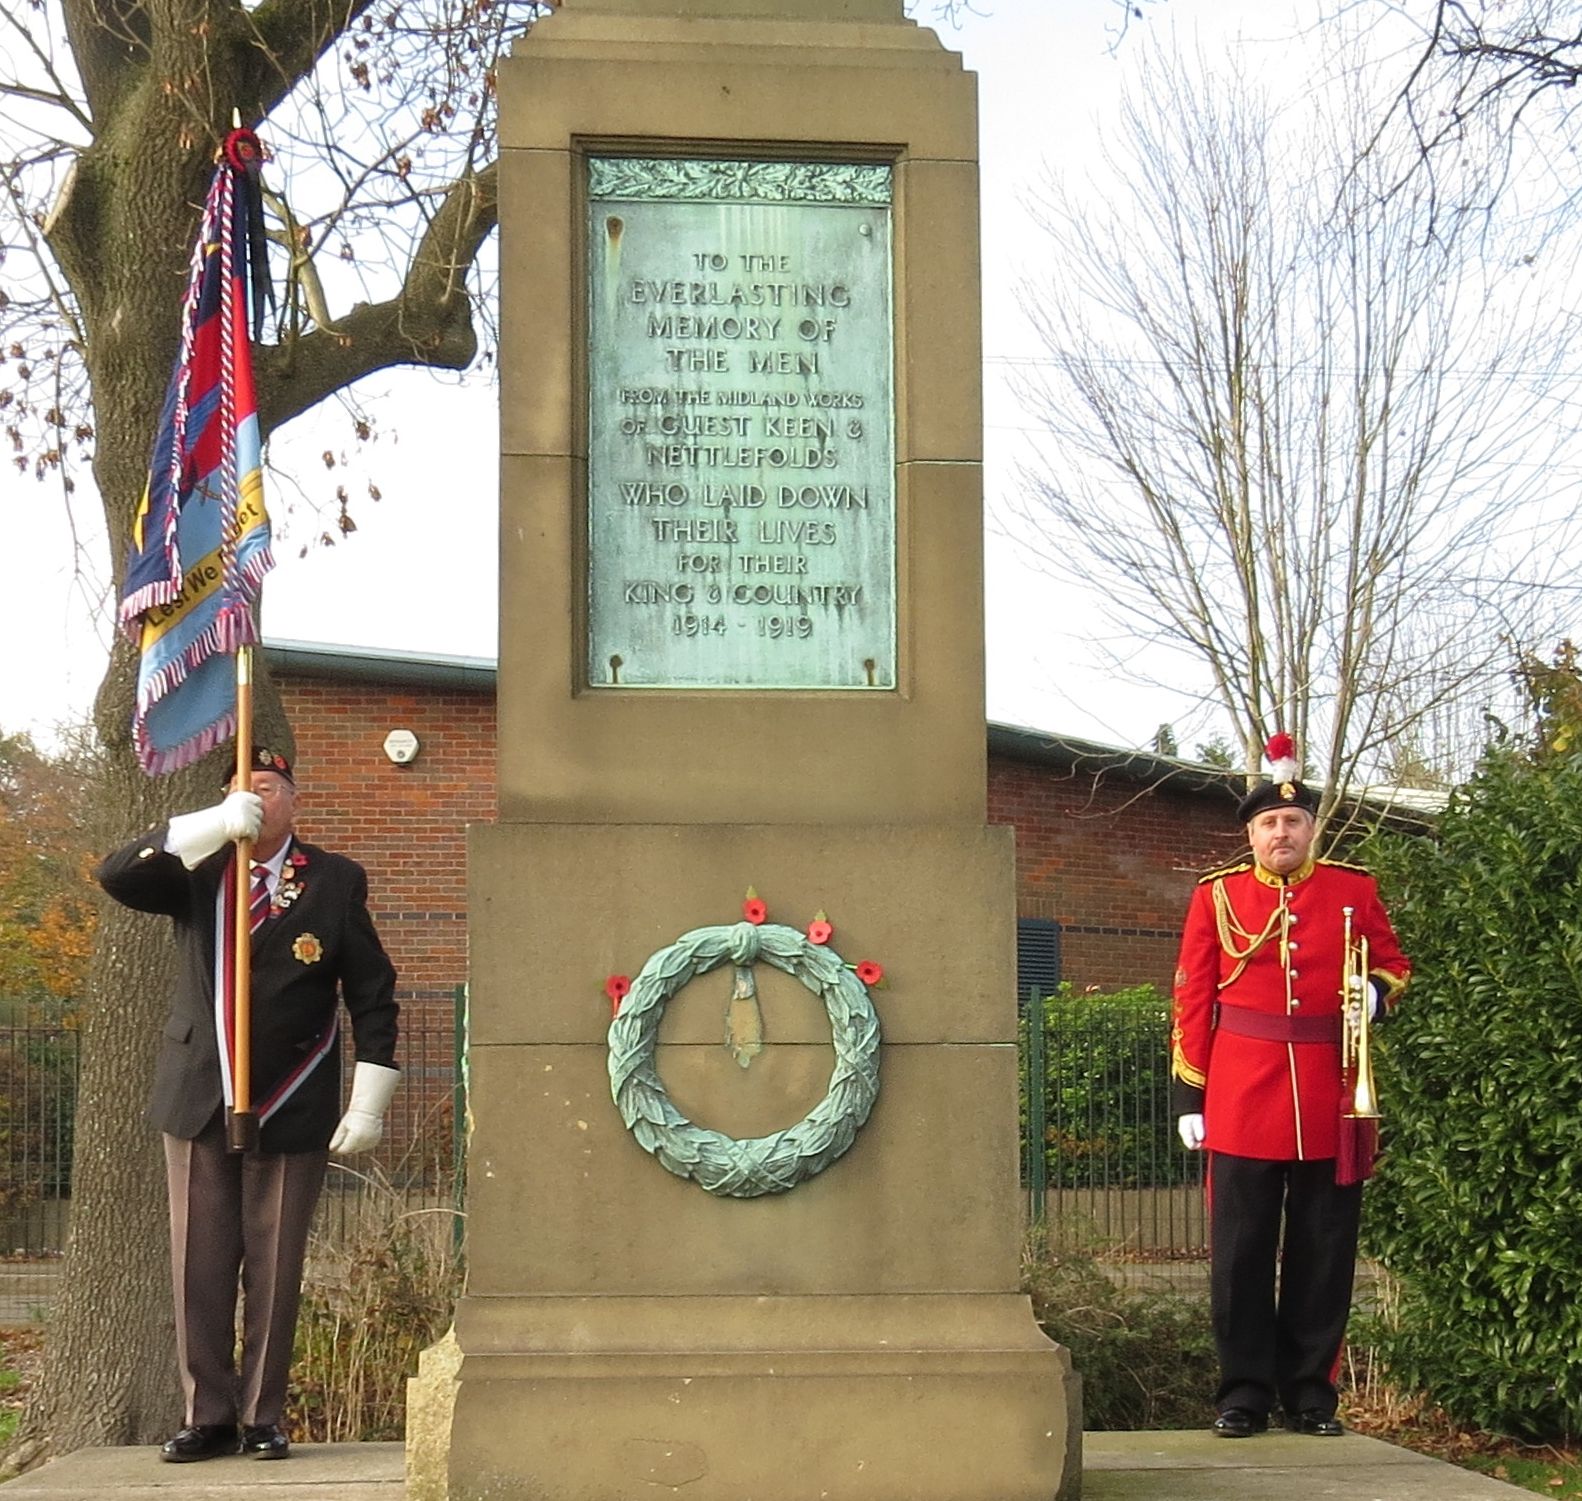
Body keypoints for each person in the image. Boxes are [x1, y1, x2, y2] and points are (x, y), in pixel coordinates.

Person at [96, 745, 401, 1463]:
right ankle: (207, 1415)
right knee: (198, 1264)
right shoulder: (198, 869)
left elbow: (373, 994)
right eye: (240, 786)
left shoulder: (333, 880)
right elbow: (116, 874)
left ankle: (263, 1414)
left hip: (292, 1095)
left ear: (294, 799)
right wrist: (210, 822)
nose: (254, 796)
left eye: (266, 785)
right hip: (201, 1092)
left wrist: (369, 1099)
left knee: (276, 1263)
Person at [1170, 735, 1408, 1439]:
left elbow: (1394, 964)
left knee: (1323, 1252)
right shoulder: (1217, 895)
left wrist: (1375, 992)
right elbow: (1191, 995)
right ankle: (1243, 1394)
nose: (1283, 832)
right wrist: (1189, 1094)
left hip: (1330, 1094)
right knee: (1241, 1254)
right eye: (1269, 823)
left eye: (1294, 821)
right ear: (1251, 834)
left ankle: (1310, 1395)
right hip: (1241, 1094)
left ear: (1311, 829)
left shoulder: (1353, 890)